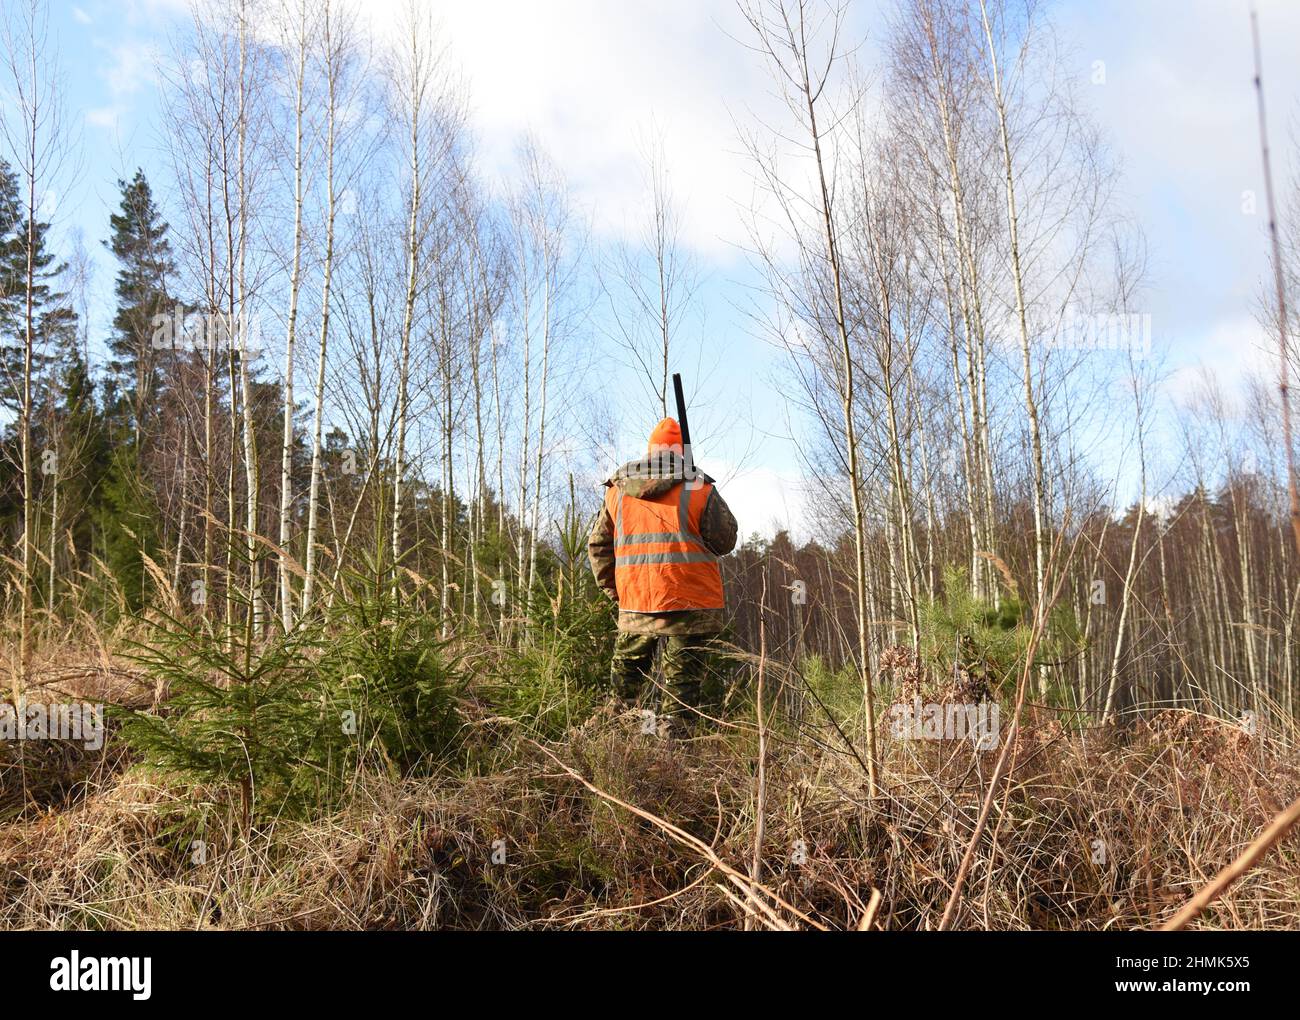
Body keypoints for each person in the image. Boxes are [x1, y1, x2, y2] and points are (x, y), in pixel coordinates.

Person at [587, 417, 738, 722]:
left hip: (637, 602)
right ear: (682, 454)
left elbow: (598, 547)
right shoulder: (700, 488)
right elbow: (725, 541)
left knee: (625, 688)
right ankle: (675, 752)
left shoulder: (618, 491)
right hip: (690, 604)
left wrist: (617, 592)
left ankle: (621, 746)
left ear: (651, 451)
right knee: (682, 691)